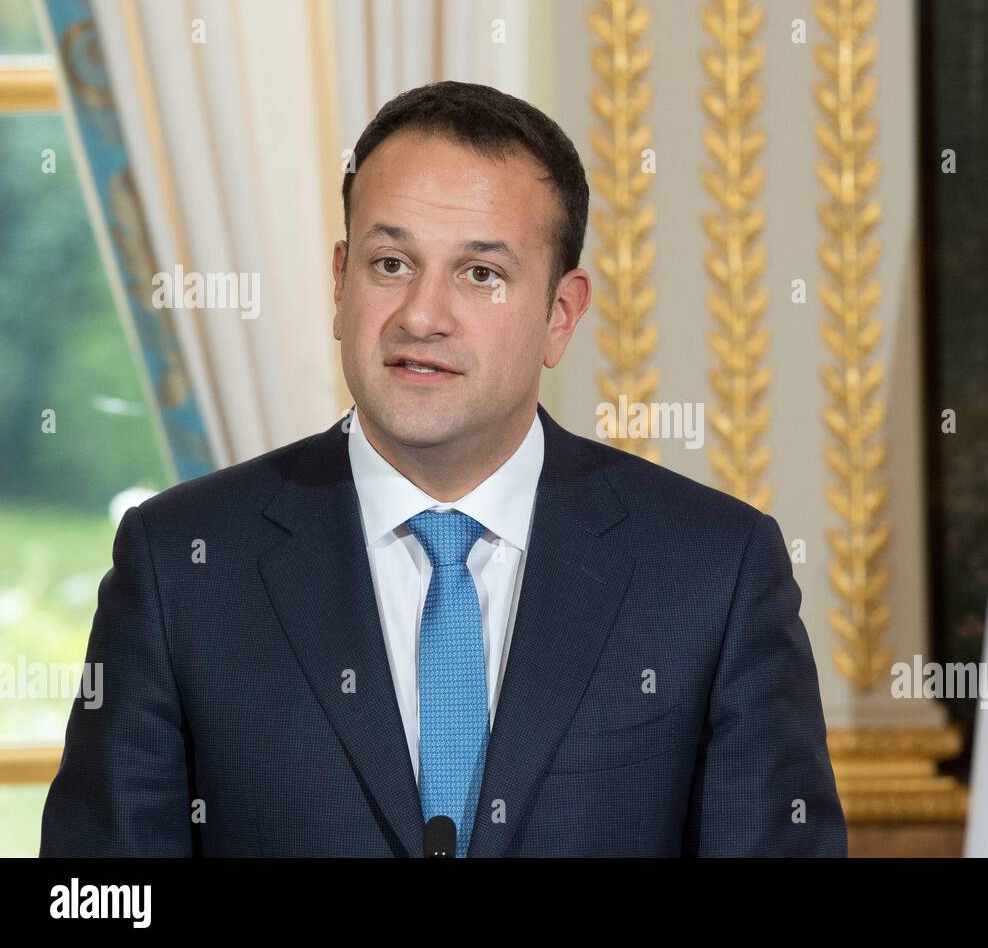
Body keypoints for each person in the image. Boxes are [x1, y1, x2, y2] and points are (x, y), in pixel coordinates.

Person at [40, 81, 847, 857]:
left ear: (559, 316)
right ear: (339, 283)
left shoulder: (713, 570)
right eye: (390, 263)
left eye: (481, 273)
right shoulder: (180, 563)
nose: (422, 315)